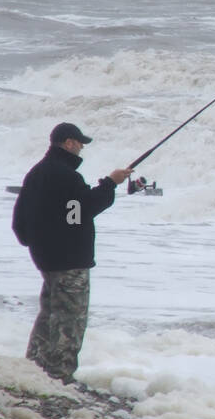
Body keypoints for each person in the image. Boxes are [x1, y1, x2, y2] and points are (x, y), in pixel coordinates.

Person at [10, 123, 133, 382]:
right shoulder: (65, 176)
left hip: (46, 258)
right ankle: (60, 376)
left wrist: (31, 243)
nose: (81, 148)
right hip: (68, 260)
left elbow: (21, 217)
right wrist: (111, 183)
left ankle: (33, 370)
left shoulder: (38, 172)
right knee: (70, 319)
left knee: (49, 314)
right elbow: (79, 212)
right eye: (79, 143)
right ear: (68, 143)